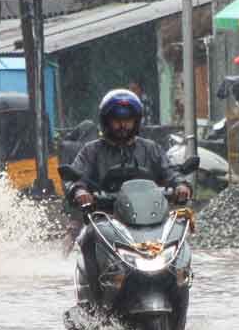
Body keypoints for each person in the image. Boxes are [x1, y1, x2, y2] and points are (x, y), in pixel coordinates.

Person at [65, 89, 192, 302]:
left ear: (137, 122)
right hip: (106, 219)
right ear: (106, 121)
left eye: (128, 120)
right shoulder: (91, 151)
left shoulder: (150, 149)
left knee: (179, 236)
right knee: (87, 239)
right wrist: (80, 191)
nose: (123, 125)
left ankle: (179, 292)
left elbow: (170, 172)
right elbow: (75, 178)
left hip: (150, 220)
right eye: (117, 120)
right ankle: (94, 302)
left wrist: (180, 185)